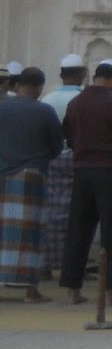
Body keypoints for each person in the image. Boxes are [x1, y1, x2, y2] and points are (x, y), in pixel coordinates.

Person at [59, 60, 112, 306]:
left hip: (82, 171)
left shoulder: (76, 103)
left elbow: (68, 135)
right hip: (109, 171)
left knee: (78, 230)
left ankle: (72, 290)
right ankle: (110, 290)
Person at [0, 66, 64, 302]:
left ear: (17, 85)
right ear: (39, 86)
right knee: (31, 236)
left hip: (3, 173)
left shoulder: (2, 108)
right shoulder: (44, 111)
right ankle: (30, 290)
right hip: (32, 175)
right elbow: (57, 146)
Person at [39, 54, 86, 280]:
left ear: (61, 75)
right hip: (78, 157)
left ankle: (46, 264)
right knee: (77, 213)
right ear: (82, 74)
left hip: (52, 157)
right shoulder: (83, 98)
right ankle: (71, 265)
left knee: (49, 210)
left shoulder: (47, 99)